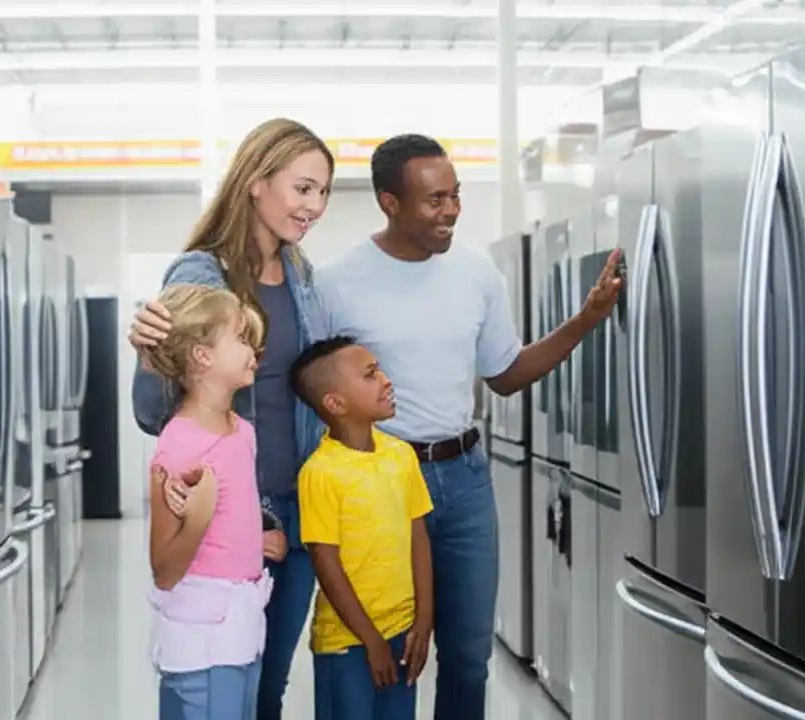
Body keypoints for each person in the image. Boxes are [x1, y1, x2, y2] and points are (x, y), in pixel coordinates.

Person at [309, 134, 622, 719]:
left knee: (470, 655)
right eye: (433, 200)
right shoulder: (336, 282)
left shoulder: (477, 272)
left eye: (455, 196)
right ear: (389, 202)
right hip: (380, 489)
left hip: (464, 479)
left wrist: (587, 320)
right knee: (386, 648)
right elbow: (316, 394)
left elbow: (503, 374)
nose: (450, 210)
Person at [127, 117, 334, 719]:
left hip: (295, 508)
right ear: (254, 181)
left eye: (322, 191)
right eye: (302, 188)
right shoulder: (200, 274)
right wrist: (148, 356)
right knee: (224, 685)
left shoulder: (300, 277)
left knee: (264, 687)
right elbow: (152, 412)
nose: (314, 205)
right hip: (233, 512)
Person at [143, 284, 272, 719]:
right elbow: (164, 571)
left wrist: (258, 538)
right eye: (240, 338)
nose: (253, 348)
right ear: (202, 356)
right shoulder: (177, 447)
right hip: (203, 649)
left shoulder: (242, 431)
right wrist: (197, 522)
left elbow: (235, 513)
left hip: (242, 632)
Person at [290, 336, 434, 720]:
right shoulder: (319, 474)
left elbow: (418, 536)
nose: (386, 380)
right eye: (370, 375)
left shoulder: (402, 456)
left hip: (403, 633)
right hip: (348, 645)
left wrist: (424, 619)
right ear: (334, 404)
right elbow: (326, 563)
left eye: (380, 369)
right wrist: (371, 641)